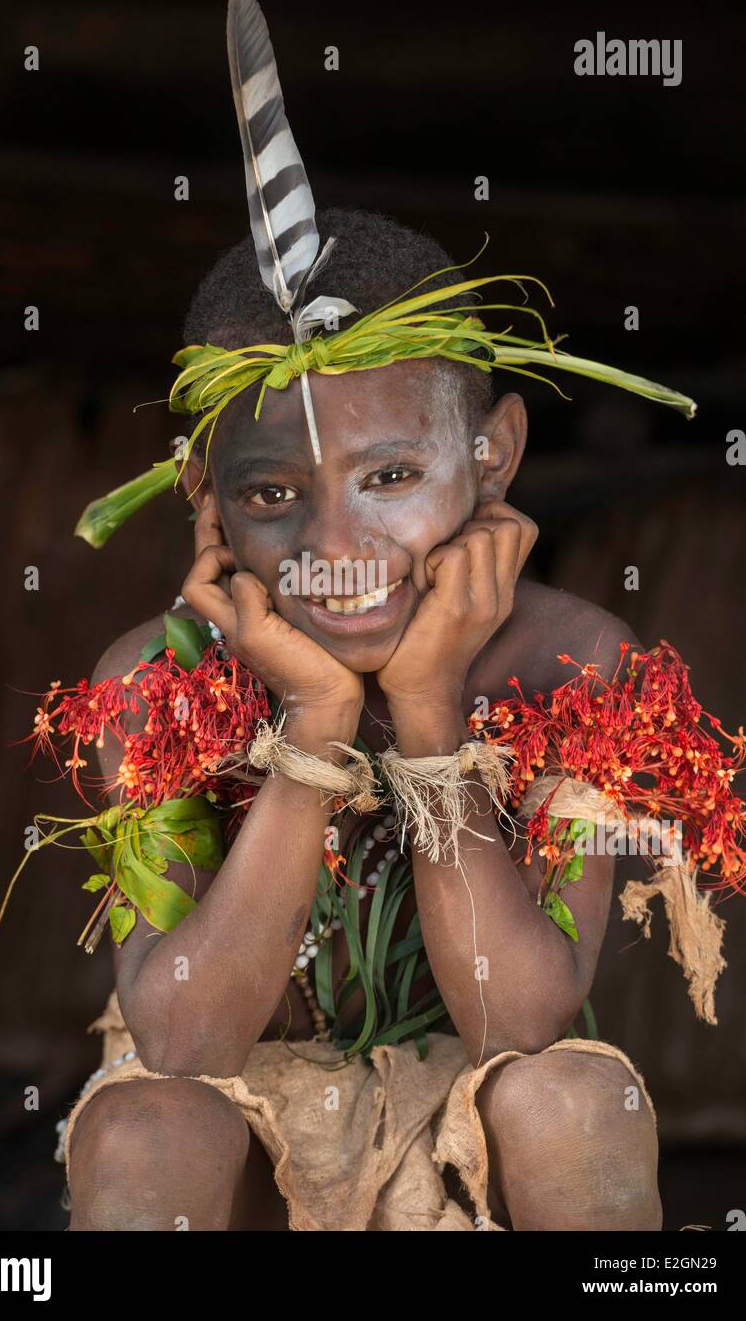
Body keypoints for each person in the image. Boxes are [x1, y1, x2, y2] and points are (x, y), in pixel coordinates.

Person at [59, 207, 664, 1231]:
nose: (337, 543)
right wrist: (316, 725)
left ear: (494, 451)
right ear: (204, 495)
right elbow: (183, 1045)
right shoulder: (158, 683)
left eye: (391, 476)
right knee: (143, 1131)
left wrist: (427, 710)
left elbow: (518, 1020)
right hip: (245, 1140)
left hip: (468, 1137)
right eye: (271, 491)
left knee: (579, 1103)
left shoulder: (574, 668)